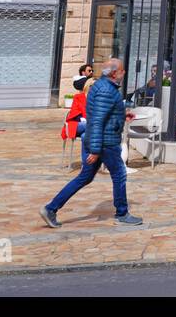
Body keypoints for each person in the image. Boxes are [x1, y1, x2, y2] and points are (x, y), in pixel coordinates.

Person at [42, 59, 142, 227]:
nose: (124, 73)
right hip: (105, 142)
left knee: (84, 177)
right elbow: (96, 121)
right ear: (114, 73)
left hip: (99, 140)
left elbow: (103, 114)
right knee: (119, 175)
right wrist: (95, 150)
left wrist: (122, 116)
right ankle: (122, 213)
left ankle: (51, 209)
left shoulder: (102, 87)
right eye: (123, 70)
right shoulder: (106, 90)